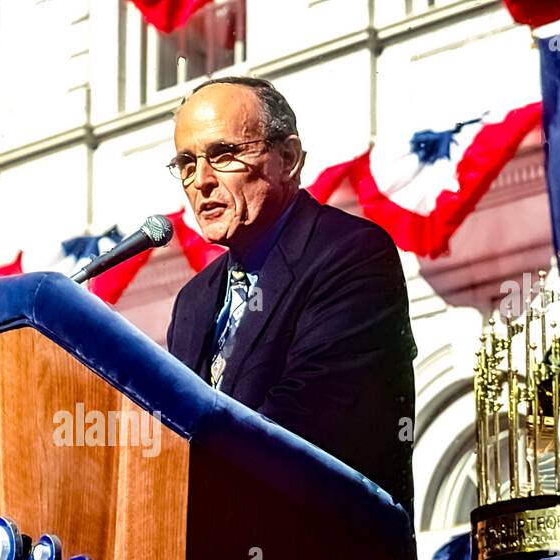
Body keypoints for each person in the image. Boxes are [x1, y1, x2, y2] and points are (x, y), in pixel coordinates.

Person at [166, 76, 418, 530]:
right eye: (186, 163)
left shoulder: (350, 253)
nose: (201, 180)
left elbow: (306, 420)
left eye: (223, 155)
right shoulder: (194, 300)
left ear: (288, 158)